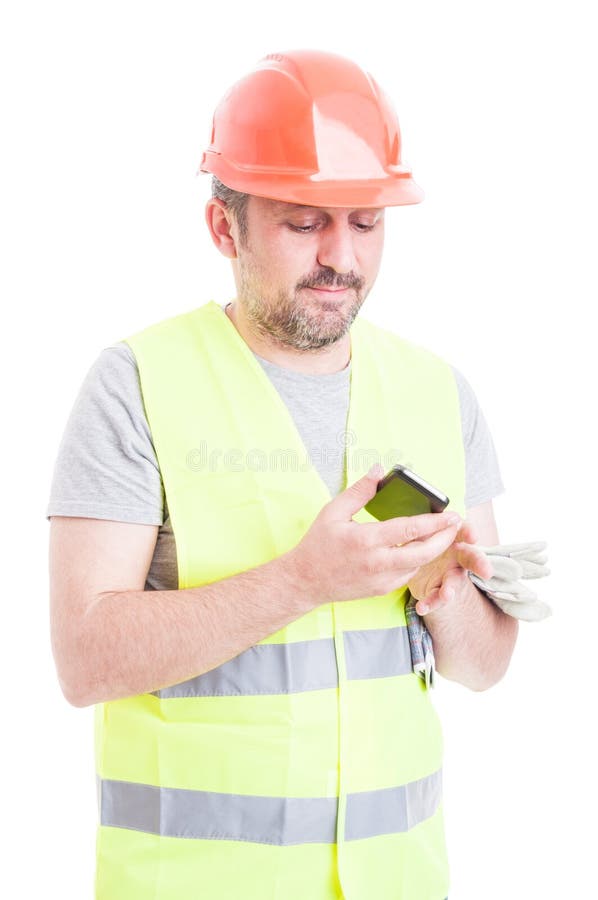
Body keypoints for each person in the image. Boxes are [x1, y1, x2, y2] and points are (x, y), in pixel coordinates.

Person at [47, 49, 518, 900]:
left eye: (367, 223)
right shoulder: (136, 385)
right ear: (226, 228)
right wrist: (302, 580)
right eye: (305, 222)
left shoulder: (438, 391)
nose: (343, 256)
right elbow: (84, 659)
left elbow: (485, 668)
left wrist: (445, 593)